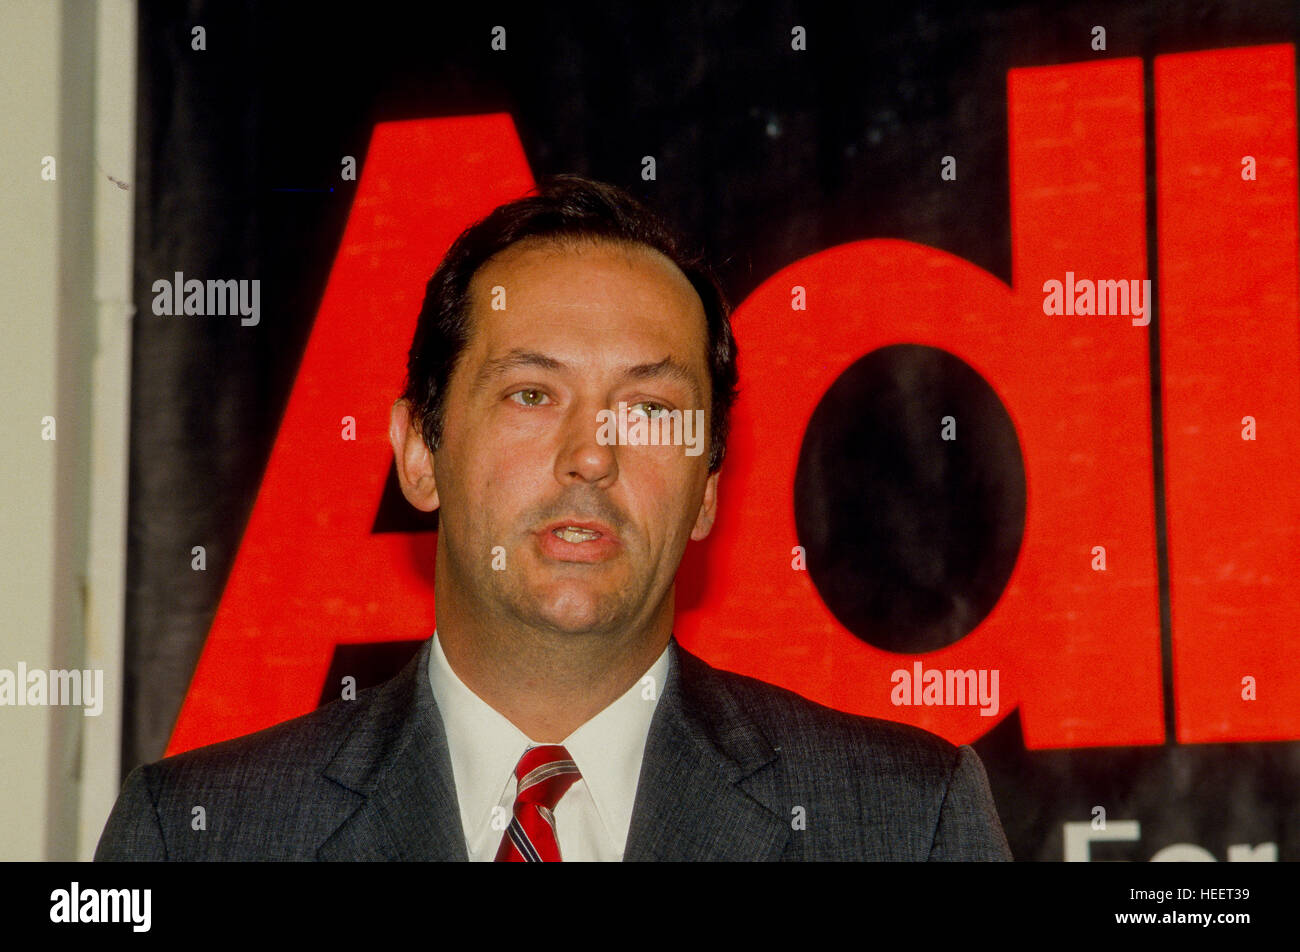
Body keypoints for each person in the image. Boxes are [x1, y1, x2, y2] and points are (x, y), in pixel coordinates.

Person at [96, 175, 1012, 861]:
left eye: (650, 409)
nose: (593, 453)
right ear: (420, 451)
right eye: (532, 393)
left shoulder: (902, 823)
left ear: (707, 491)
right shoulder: (199, 834)